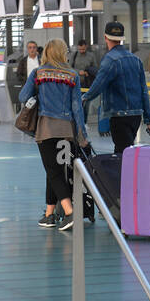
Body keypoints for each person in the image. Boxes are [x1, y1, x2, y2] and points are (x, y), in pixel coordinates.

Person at [19, 39, 89, 232]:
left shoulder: (38, 73)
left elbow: (23, 97)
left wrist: (39, 99)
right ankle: (49, 214)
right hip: (67, 130)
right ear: (62, 53)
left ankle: (69, 212)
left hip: (46, 128)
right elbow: (77, 107)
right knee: (54, 169)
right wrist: (81, 135)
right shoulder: (73, 74)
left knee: (53, 170)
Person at [83, 21, 150, 153]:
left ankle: (125, 174)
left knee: (122, 153)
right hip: (136, 115)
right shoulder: (136, 60)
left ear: (105, 37)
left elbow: (98, 85)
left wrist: (84, 98)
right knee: (126, 150)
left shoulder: (110, 60)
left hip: (119, 115)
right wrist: (148, 119)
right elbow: (144, 91)